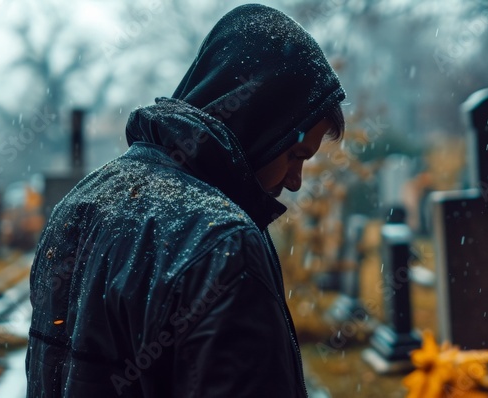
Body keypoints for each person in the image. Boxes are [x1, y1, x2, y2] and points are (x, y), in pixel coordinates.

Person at [26, 3, 346, 397]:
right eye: (295, 155)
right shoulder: (223, 244)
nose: (295, 182)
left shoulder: (80, 203)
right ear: (260, 125)